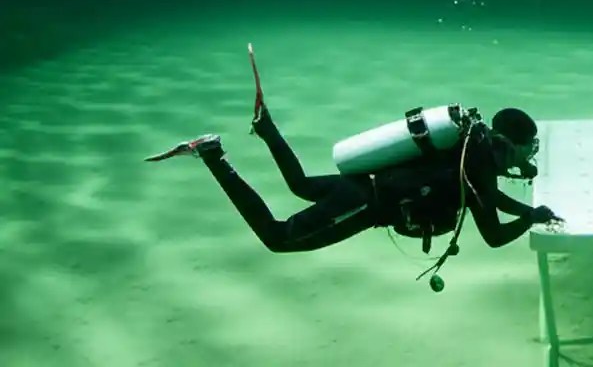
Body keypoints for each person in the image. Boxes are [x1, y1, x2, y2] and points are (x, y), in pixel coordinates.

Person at [146, 45, 561, 288]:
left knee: (300, 184)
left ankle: (266, 127)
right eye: (526, 149)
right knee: (277, 237)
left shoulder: (472, 150)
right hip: (366, 203)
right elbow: (494, 236)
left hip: (366, 182)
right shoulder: (478, 166)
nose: (527, 158)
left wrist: (530, 212)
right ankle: (213, 154)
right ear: (506, 144)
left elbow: (491, 196)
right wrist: (533, 218)